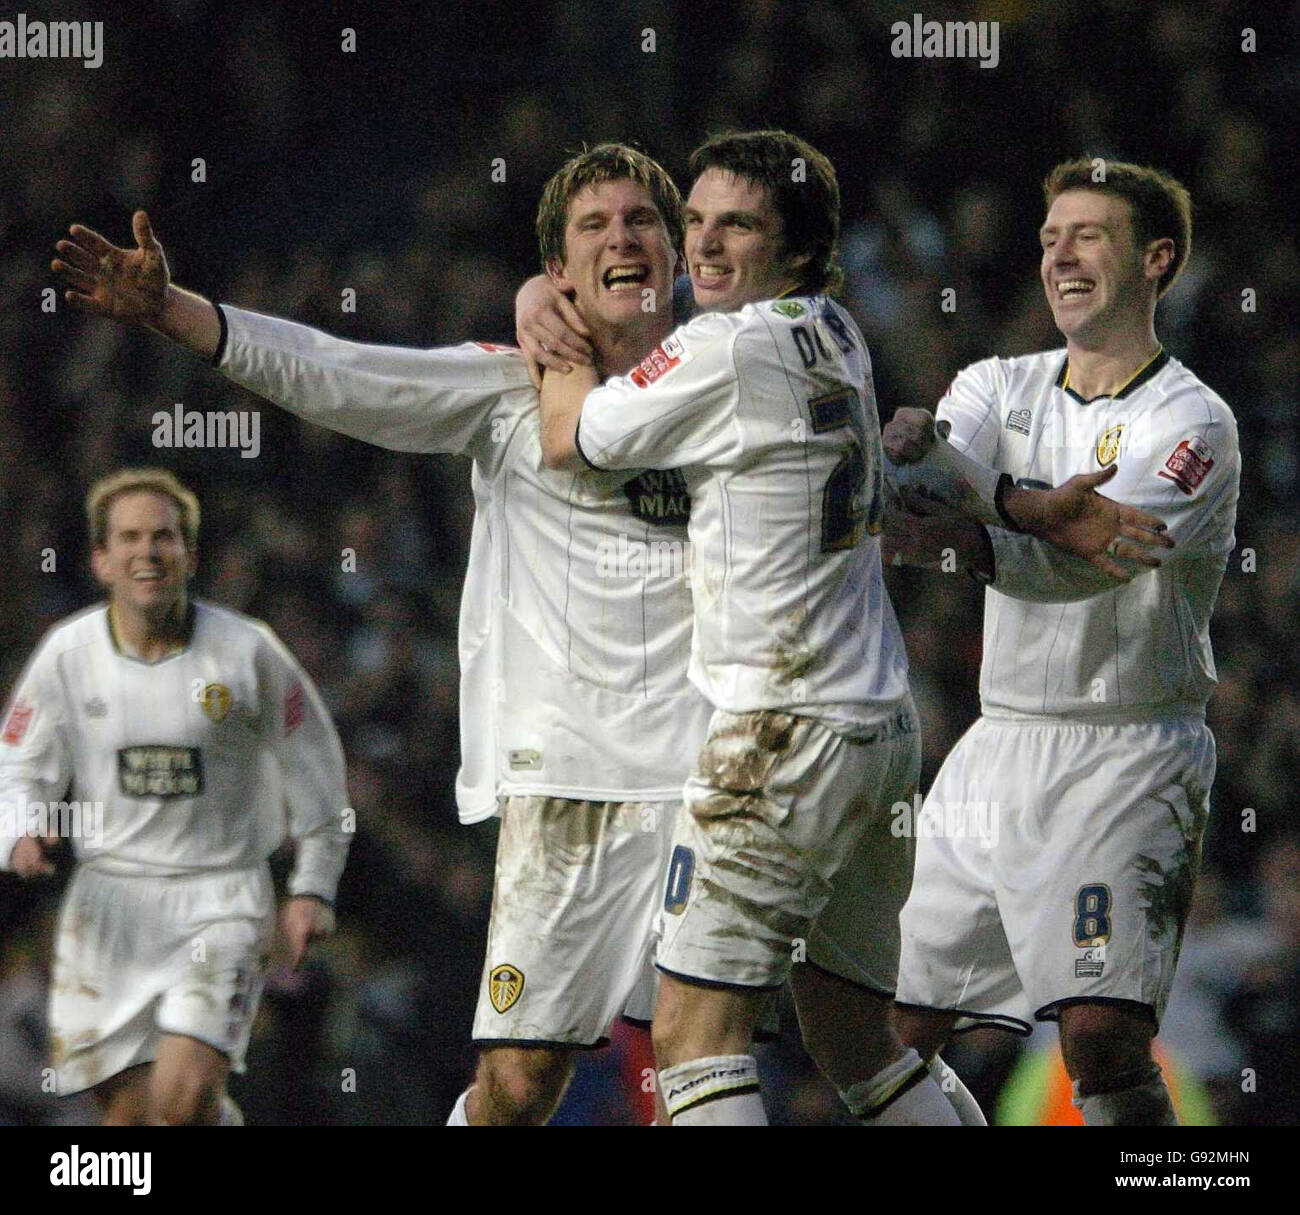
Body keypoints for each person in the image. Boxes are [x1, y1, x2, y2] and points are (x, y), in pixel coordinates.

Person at [53, 145, 711, 1125]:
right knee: (518, 1086)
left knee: (708, 1055)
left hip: (712, 779)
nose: (623, 236)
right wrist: (176, 312)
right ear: (562, 272)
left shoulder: (729, 385)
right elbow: (340, 374)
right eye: (593, 226)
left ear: (678, 253)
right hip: (566, 798)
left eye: (642, 221)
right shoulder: (506, 391)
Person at [532, 131, 1170, 1125]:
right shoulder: (830, 328)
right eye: (692, 220)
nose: (701, 244)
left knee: (695, 1038)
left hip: (777, 736)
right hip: (875, 737)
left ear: (793, 246)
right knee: (856, 1043)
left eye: (734, 224)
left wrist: (552, 320)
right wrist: (1018, 502)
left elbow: (572, 437)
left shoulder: (725, 343)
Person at [882, 157, 1240, 1126]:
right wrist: (953, 486)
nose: (1060, 254)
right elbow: (923, 495)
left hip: (1128, 748)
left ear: (1155, 259)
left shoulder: (1192, 419)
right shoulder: (997, 385)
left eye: (1089, 234)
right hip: (998, 742)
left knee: (1096, 1034)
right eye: (1049, 238)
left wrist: (983, 511)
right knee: (886, 1030)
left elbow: (1102, 553)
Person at [0, 468, 350, 1125]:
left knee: (182, 1099)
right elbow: (16, 763)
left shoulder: (248, 653)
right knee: (131, 1122)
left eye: (164, 536)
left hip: (219, 897)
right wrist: (17, 828)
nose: (148, 551)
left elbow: (318, 771)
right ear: (101, 560)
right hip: (107, 902)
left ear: (190, 554)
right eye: (129, 537)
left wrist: (313, 886)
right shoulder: (66, 655)